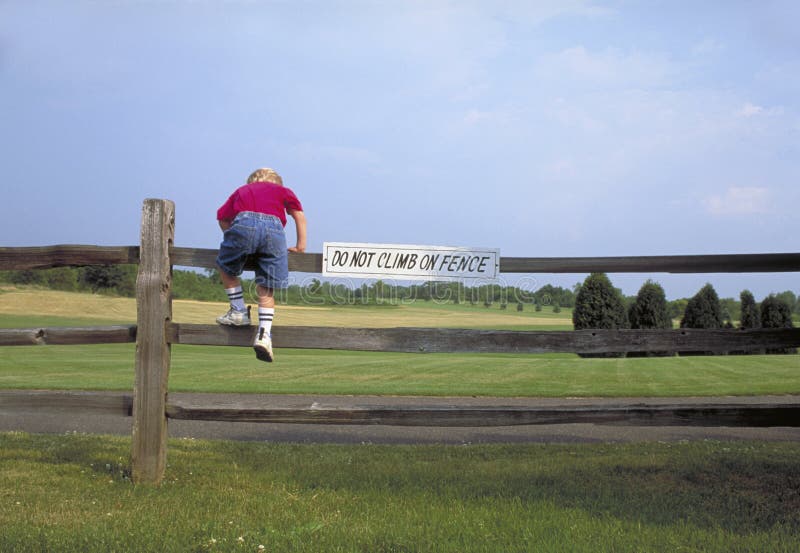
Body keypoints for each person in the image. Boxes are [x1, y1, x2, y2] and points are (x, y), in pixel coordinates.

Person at [215, 168, 307, 362]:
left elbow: (222, 217)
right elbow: (298, 215)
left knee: (225, 266)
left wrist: (237, 241)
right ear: (276, 182)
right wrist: (300, 246)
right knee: (266, 287)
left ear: (252, 181)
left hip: (244, 223)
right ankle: (264, 335)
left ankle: (238, 310)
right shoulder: (283, 191)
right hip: (274, 231)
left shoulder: (243, 190)